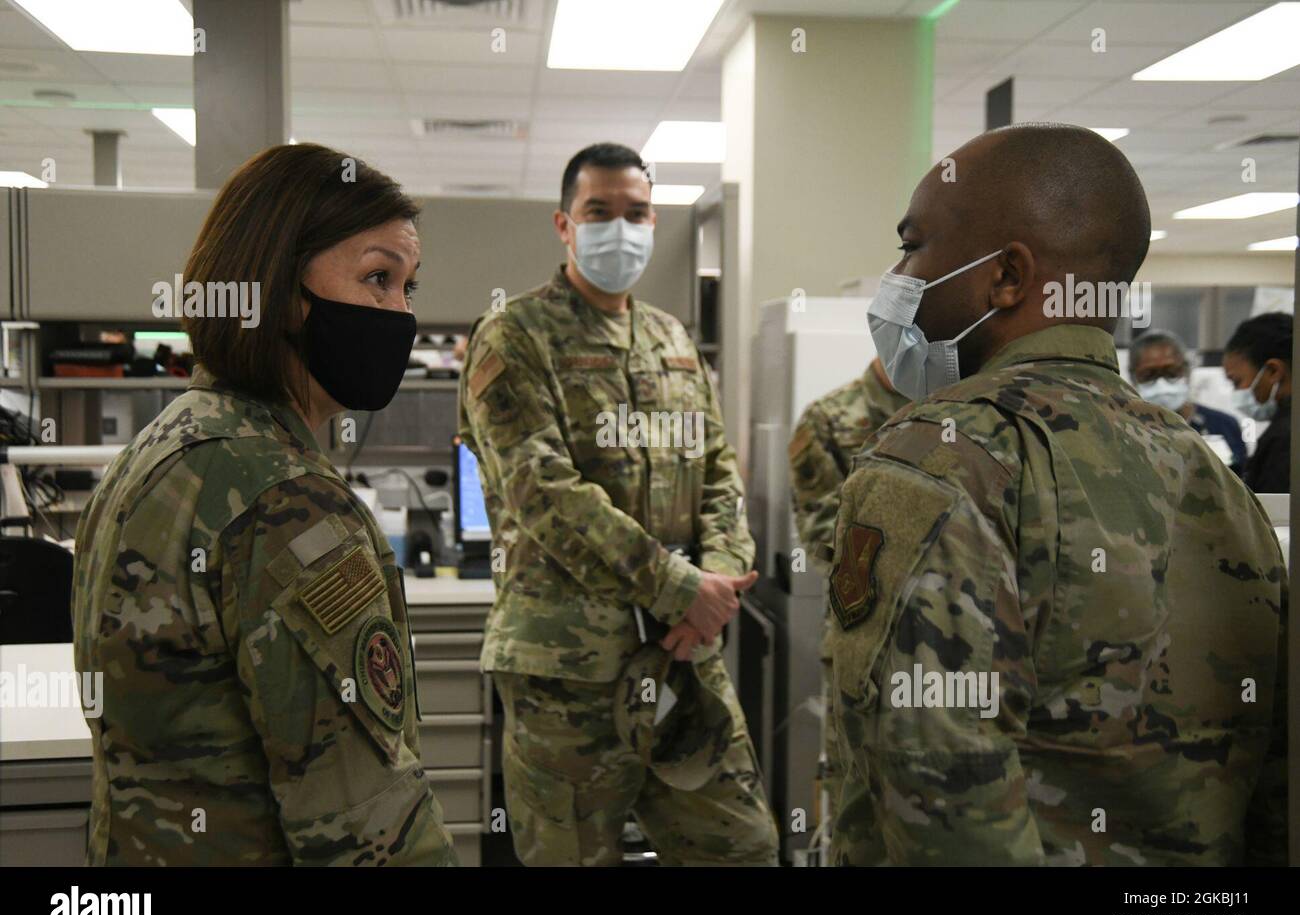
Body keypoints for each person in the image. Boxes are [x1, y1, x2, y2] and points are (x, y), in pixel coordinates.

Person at [827, 123, 1287, 866]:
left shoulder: (941, 459)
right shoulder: (1207, 473)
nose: (900, 274)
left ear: (1006, 276)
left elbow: (936, 785)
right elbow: (1275, 778)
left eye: (914, 246)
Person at [72, 144, 457, 866]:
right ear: (280, 289)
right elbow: (366, 825)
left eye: (409, 287)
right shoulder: (288, 502)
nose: (400, 313)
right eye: (378, 278)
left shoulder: (158, 452)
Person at [458, 142, 779, 866]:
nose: (619, 229)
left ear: (654, 221)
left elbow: (720, 472)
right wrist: (678, 586)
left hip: (682, 656)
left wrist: (720, 585)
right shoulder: (513, 336)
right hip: (568, 668)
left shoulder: (672, 340)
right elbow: (542, 490)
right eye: (598, 212)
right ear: (564, 225)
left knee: (744, 847)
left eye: (635, 213)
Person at [787, 356, 907, 840]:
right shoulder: (830, 419)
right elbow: (824, 539)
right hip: (865, 642)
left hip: (958, 645)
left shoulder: (958, 407)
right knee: (859, 804)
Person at [1128, 329, 1246, 471]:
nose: (1161, 383)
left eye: (1171, 372)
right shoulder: (1125, 429)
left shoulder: (1223, 425)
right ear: (1133, 377)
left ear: (1187, 370)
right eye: (1148, 375)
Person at [1223, 312, 1293, 494]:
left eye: (1237, 382)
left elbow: (1274, 517)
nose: (1237, 392)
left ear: (1273, 371)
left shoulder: (1285, 438)